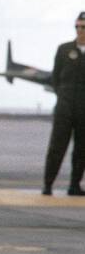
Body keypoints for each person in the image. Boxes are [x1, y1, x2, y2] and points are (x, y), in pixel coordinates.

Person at [42, 10, 85, 196]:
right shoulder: (64, 49)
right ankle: (48, 184)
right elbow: (55, 77)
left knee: (82, 149)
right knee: (57, 146)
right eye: (77, 27)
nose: (79, 30)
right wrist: (63, 97)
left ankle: (74, 185)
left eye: (83, 27)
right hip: (65, 105)